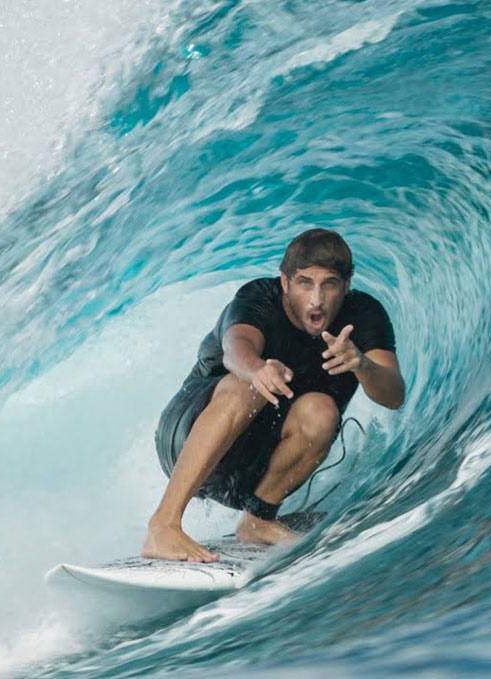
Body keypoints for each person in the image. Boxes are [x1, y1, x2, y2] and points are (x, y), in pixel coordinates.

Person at [142, 229, 405, 562]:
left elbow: (394, 396)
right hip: (184, 438)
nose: (316, 299)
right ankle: (163, 525)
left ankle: (257, 520)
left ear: (347, 285)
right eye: (305, 283)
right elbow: (235, 348)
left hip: (254, 465)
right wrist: (257, 369)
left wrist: (362, 365)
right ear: (285, 282)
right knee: (247, 386)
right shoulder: (258, 300)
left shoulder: (363, 318)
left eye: (330, 284)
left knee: (322, 411)